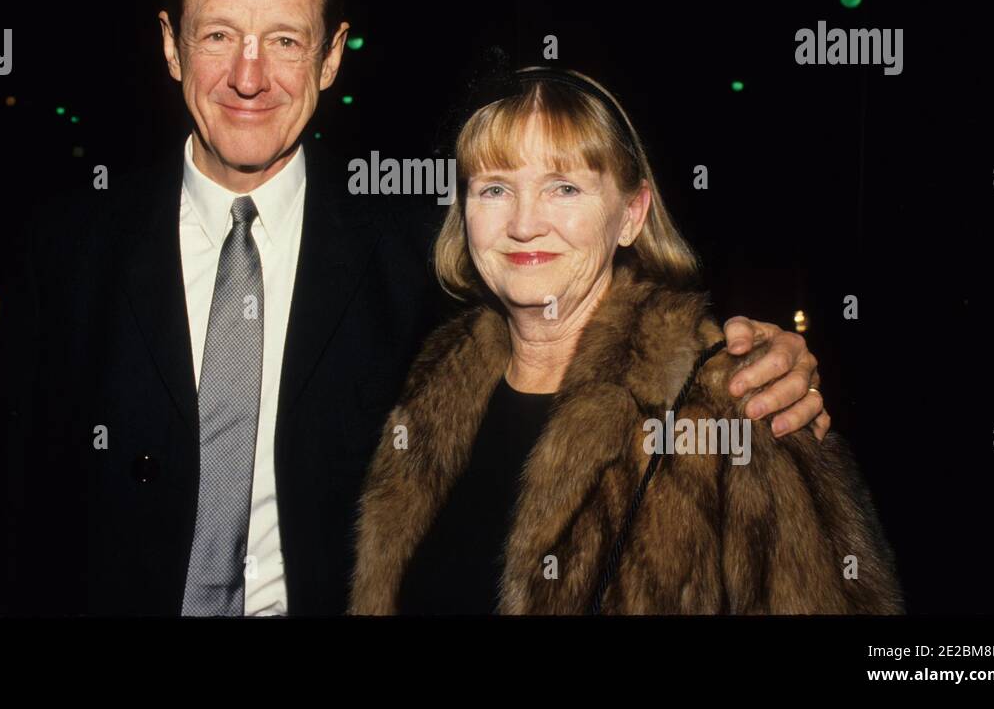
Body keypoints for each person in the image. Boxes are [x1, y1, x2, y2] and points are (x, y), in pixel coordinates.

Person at [5, 0, 829, 617]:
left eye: (285, 39)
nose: (248, 75)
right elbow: (14, 508)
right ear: (172, 45)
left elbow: (575, 315)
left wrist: (748, 363)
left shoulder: (419, 256)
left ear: (330, 57)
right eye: (219, 34)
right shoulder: (68, 250)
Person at [349, 68, 903, 614]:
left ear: (632, 215)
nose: (523, 224)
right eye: (494, 188)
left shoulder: (732, 402)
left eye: (563, 187)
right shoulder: (432, 382)